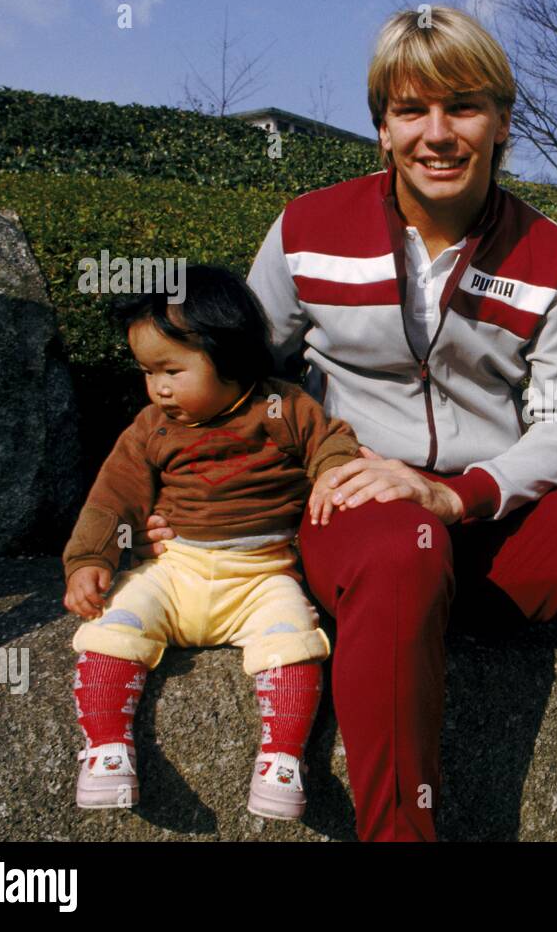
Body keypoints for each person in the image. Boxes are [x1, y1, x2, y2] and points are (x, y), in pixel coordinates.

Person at [136, 6, 557, 841]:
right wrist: (190, 496)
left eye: (463, 107)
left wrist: (460, 494)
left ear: (502, 122)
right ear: (383, 129)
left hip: (490, 510)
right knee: (405, 548)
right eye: (410, 110)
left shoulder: (550, 254)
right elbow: (235, 379)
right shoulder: (307, 229)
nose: (437, 133)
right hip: (360, 516)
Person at [62, 264, 362, 820]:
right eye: (147, 372)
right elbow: (113, 496)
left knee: (294, 644)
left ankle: (282, 760)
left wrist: (332, 475)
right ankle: (105, 750)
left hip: (262, 575)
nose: (158, 387)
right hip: (173, 570)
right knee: (111, 630)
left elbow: (331, 443)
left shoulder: (282, 407)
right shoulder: (151, 426)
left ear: (229, 354)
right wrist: (88, 559)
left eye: (171, 369)